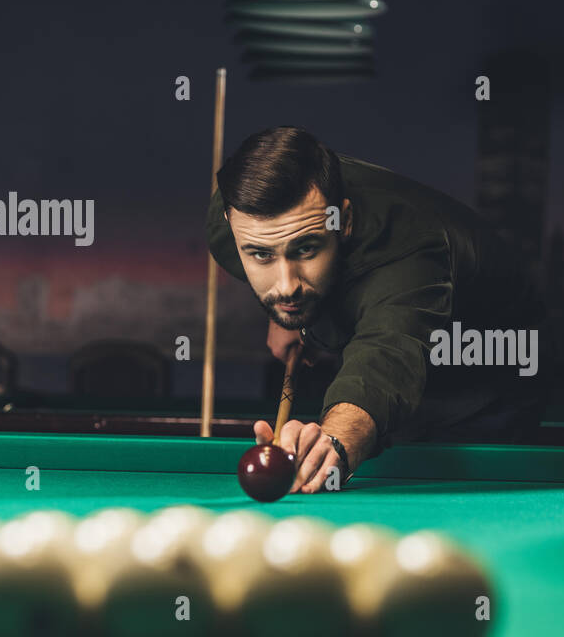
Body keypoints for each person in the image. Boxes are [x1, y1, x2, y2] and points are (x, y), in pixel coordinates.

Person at [206, 127, 546, 493]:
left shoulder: (410, 247)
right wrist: (292, 315)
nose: (286, 283)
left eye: (306, 249)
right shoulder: (233, 222)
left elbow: (387, 354)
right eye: (262, 254)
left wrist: (335, 440)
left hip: (483, 369)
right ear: (231, 223)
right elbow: (285, 277)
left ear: (344, 221)